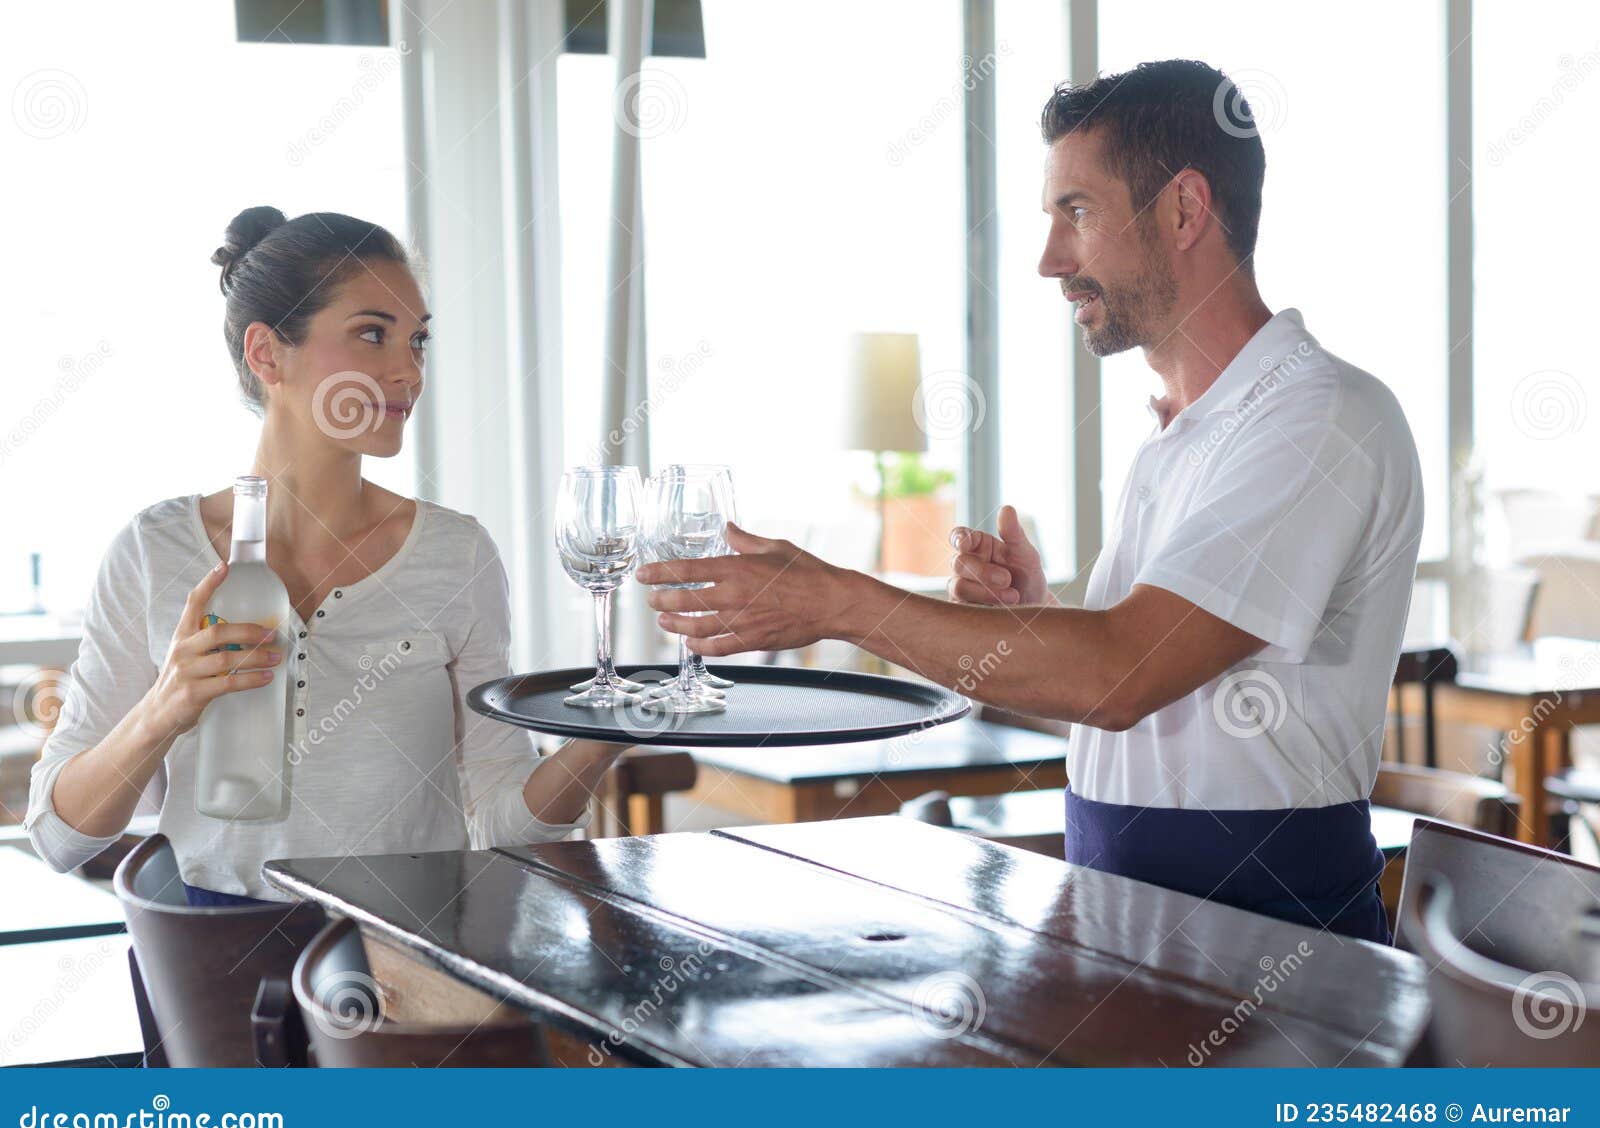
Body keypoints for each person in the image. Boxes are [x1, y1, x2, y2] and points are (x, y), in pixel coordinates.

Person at [634, 61, 1423, 944]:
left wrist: (836, 601)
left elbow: (1120, 675)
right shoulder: (1181, 430)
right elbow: (1142, 696)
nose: (1050, 261)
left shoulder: (1320, 418)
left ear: (1185, 209)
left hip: (1271, 949)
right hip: (1124, 922)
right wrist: (1035, 623)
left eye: (1075, 213)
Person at [25, 206, 626, 903]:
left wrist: (608, 729)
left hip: (409, 958)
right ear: (267, 353)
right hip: (216, 966)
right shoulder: (152, 552)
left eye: (419, 341)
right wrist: (165, 707)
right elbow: (61, 838)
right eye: (373, 334)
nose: (409, 371)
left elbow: (503, 822)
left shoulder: (455, 555)